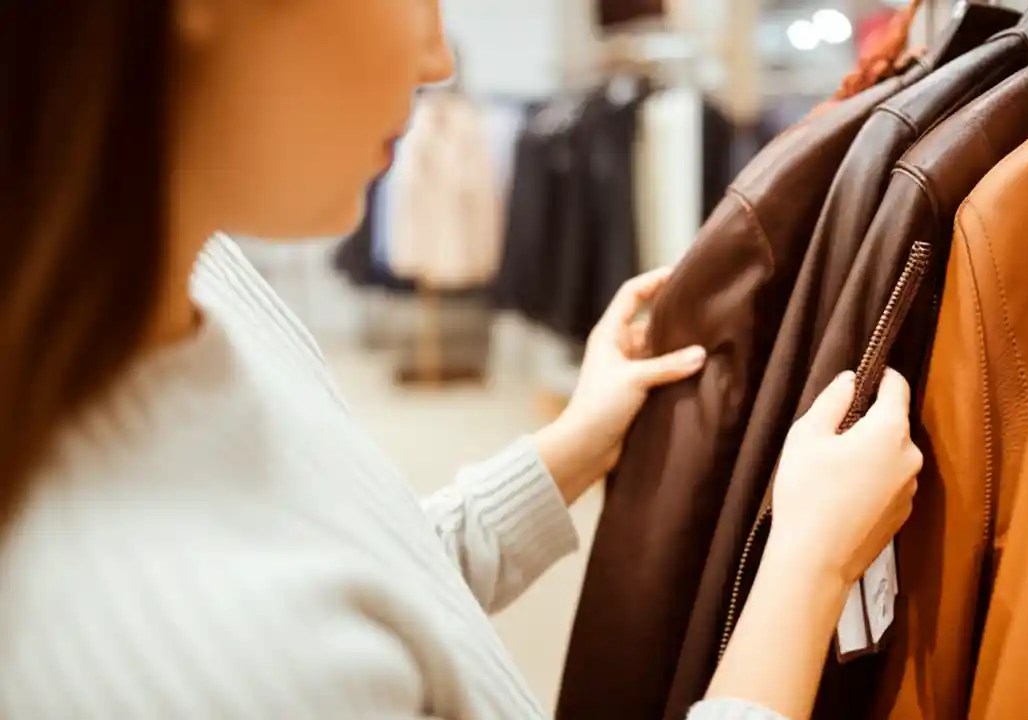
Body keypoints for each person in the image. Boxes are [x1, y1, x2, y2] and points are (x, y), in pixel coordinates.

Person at [0, 2, 922, 719]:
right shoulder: (165, 664)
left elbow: (366, 585)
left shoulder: (195, 280)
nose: (441, 61)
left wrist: (568, 448)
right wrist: (806, 566)